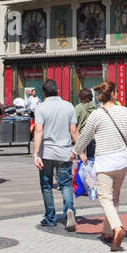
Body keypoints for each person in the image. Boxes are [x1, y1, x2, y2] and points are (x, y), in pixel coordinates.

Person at [74, 80, 127, 251]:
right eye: (117, 91)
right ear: (113, 94)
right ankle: (108, 231)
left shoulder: (96, 114)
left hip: (104, 162)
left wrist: (75, 151)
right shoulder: (124, 111)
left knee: (105, 198)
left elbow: (85, 137)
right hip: (121, 162)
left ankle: (117, 228)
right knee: (115, 198)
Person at [32, 78, 79, 231]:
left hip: (47, 152)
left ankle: (50, 217)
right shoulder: (69, 106)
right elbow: (74, 131)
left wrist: (36, 153)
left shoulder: (41, 108)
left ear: (43, 93)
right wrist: (79, 150)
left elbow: (39, 130)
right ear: (57, 91)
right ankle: (69, 210)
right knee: (65, 184)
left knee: (46, 185)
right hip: (65, 152)